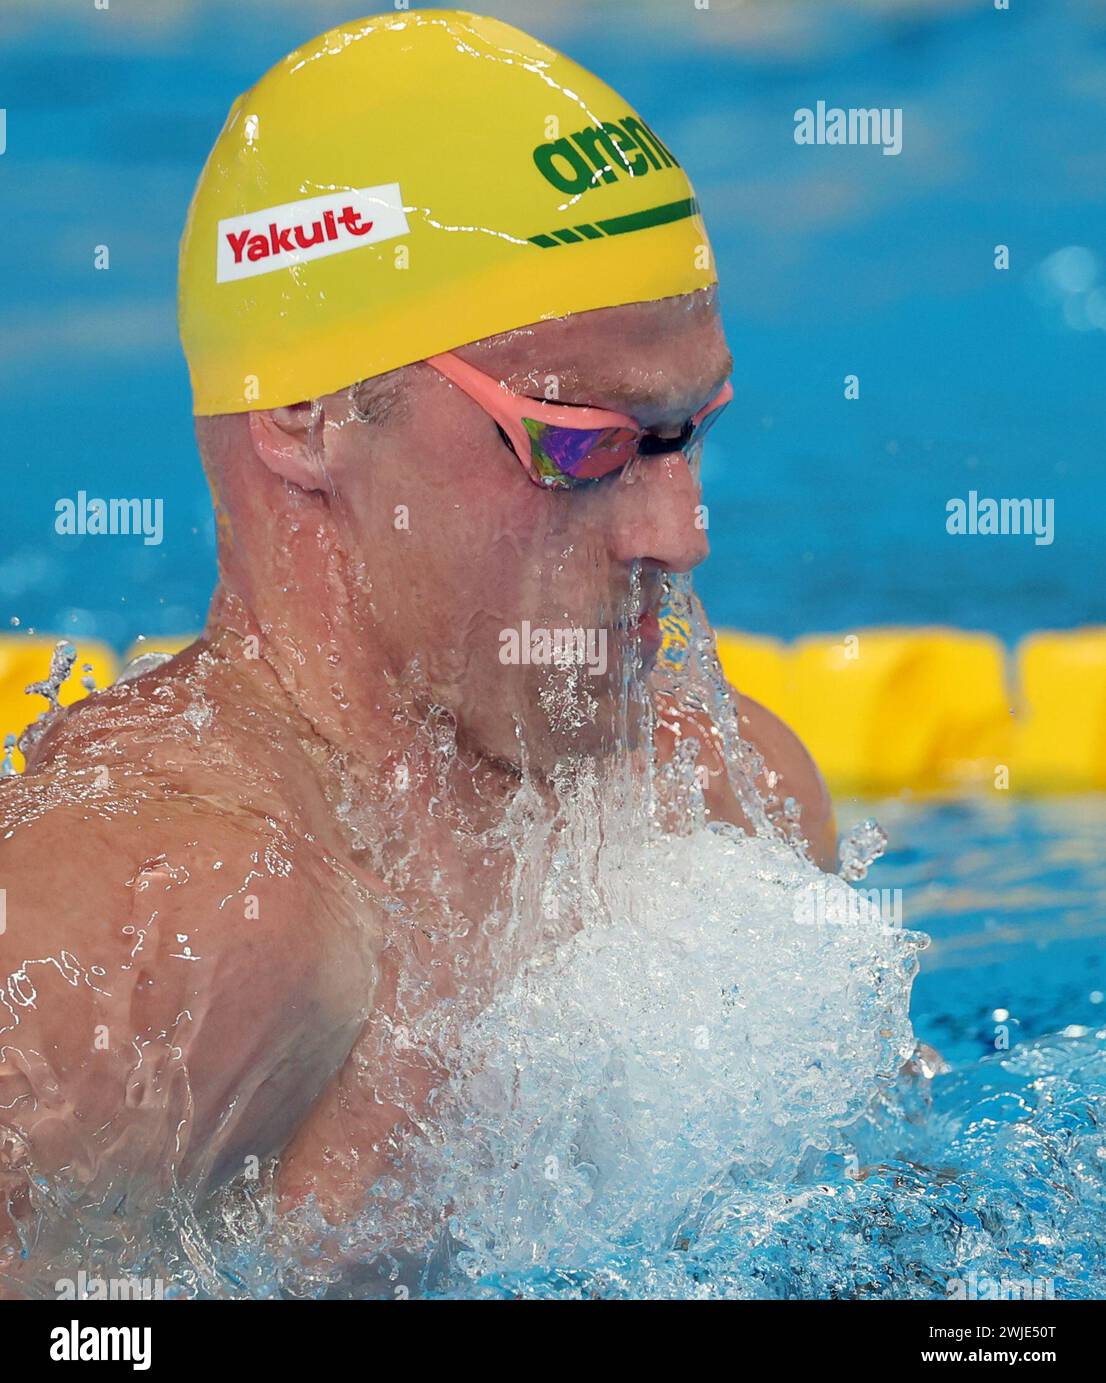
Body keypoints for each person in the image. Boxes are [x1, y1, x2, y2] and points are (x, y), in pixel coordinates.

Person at [0, 10, 832, 1283]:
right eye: (578, 446)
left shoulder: (724, 804)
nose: (677, 535)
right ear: (306, 414)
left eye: (683, 435)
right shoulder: (172, 932)